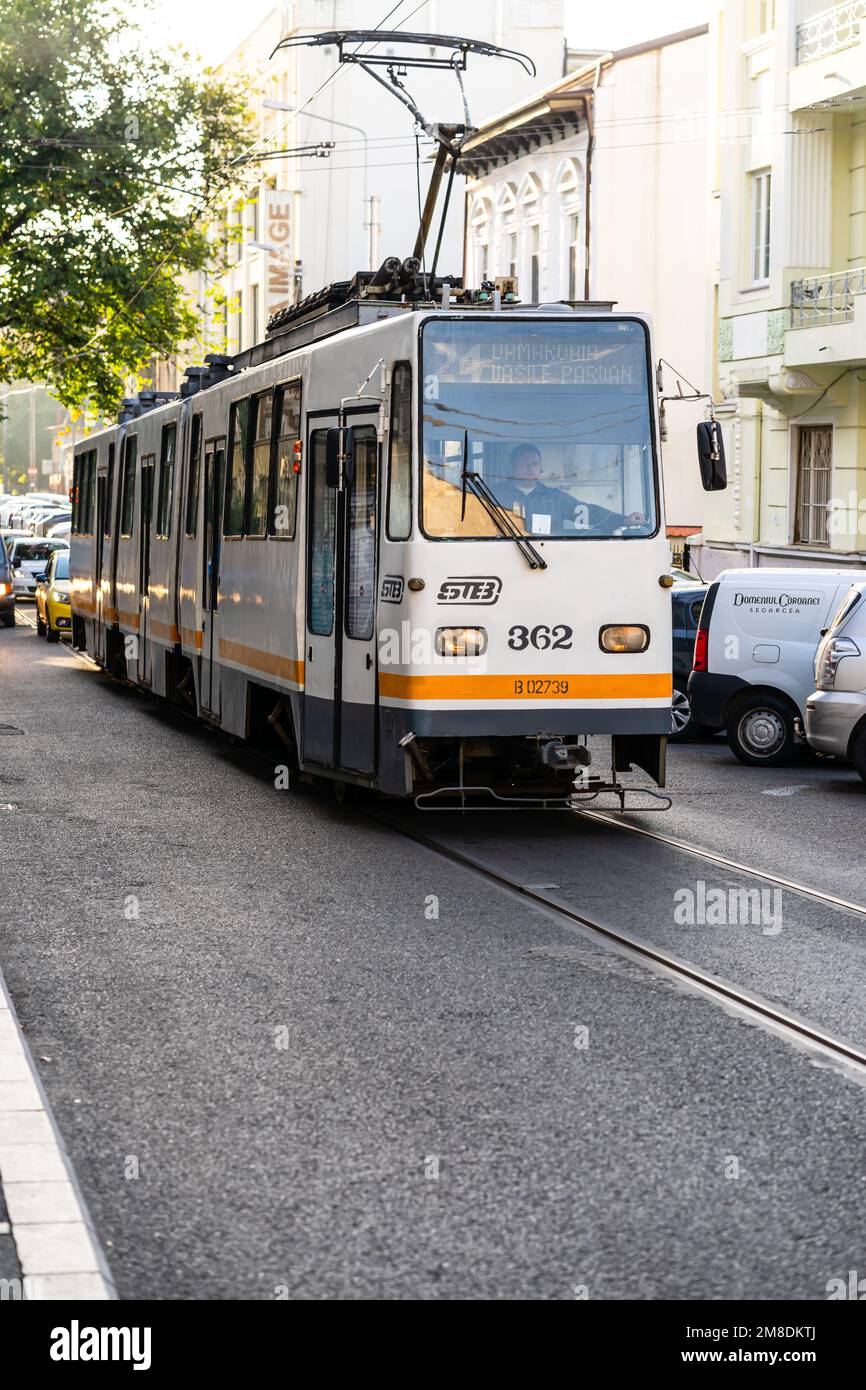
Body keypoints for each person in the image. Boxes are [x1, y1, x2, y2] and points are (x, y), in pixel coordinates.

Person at [492, 443, 646, 535]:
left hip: (547, 560)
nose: (530, 468)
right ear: (512, 468)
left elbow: (588, 512)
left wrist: (623, 520)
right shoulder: (494, 495)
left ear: (541, 469)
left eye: (534, 464)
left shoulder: (555, 498)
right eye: (524, 464)